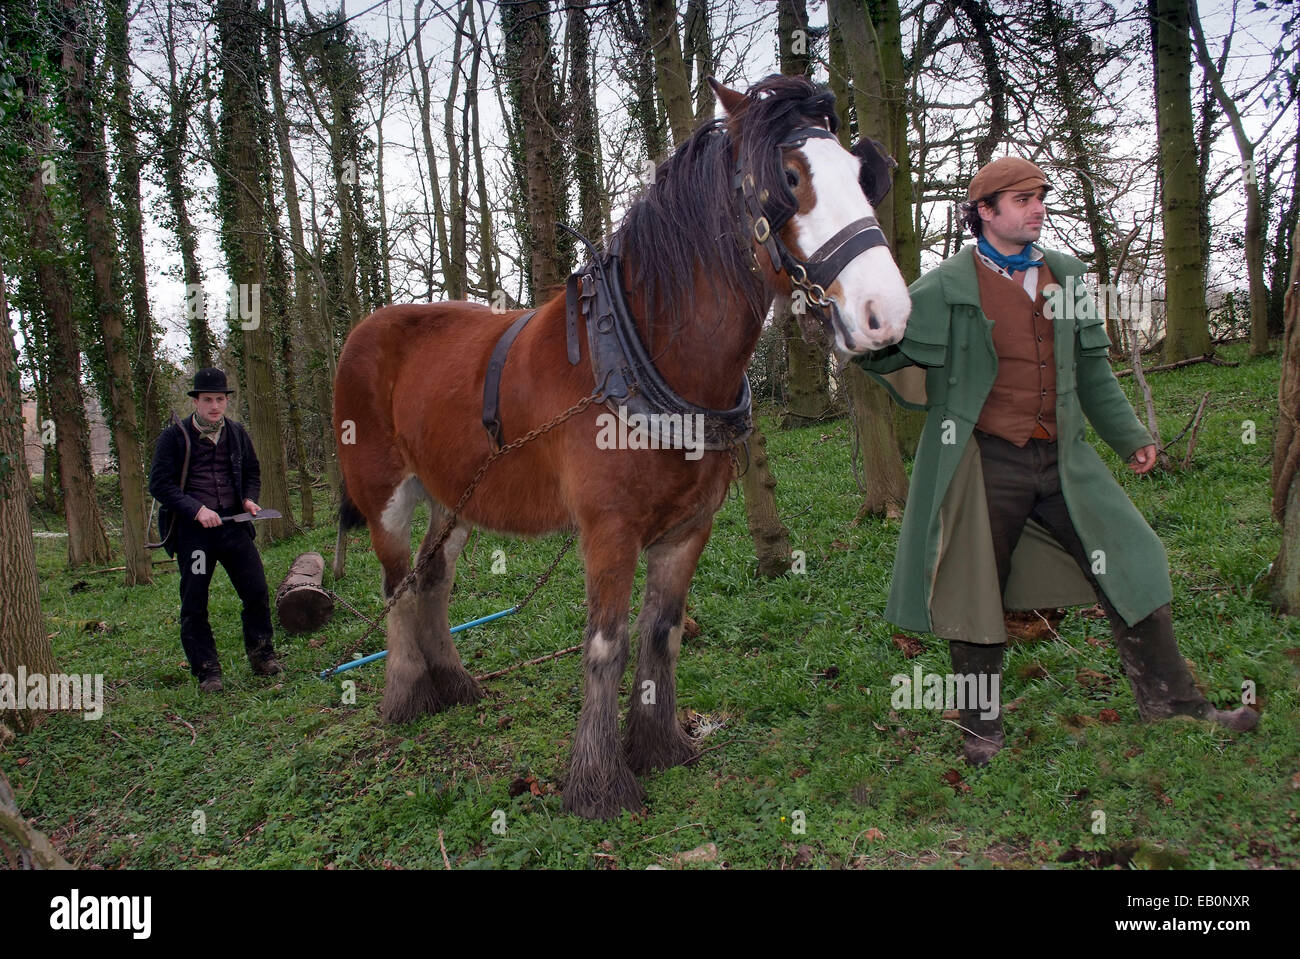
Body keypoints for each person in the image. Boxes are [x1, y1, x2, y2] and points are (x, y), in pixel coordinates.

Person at [856, 156, 1258, 765]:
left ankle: (1171, 704)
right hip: (983, 463)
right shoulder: (947, 285)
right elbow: (889, 349)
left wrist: (1130, 436)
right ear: (985, 212)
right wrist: (853, 329)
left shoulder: (1067, 276)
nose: (1037, 208)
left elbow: (1093, 368)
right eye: (1021, 200)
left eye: (1040, 197)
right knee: (974, 588)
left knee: (1133, 558)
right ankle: (980, 730)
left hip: (1064, 460)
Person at [148, 368, 280, 692]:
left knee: (256, 591)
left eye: (220, 399)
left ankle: (262, 655)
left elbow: (252, 470)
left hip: (234, 528)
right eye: (208, 399)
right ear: (196, 401)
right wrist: (196, 509)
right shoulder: (173, 438)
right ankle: (207, 670)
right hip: (195, 536)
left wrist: (249, 499)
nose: (215, 406)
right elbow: (160, 485)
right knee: (194, 602)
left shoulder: (236, 433)